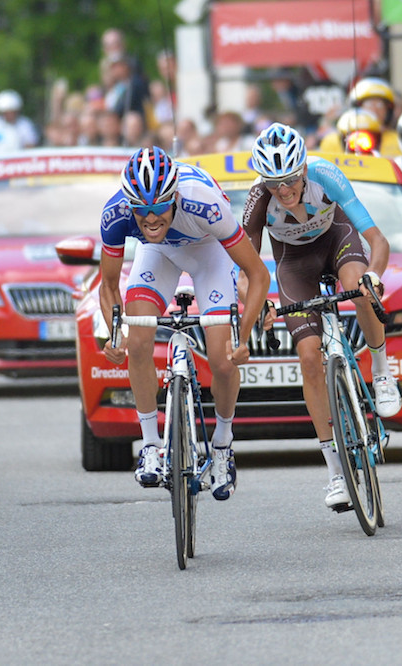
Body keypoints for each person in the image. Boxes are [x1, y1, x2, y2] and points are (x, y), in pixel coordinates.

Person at [243, 123, 401, 510]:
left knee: (360, 289)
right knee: (309, 357)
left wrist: (374, 278)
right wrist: (255, 304)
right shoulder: (258, 198)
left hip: (337, 242)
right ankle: (335, 473)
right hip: (294, 265)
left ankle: (381, 373)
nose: (284, 190)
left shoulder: (326, 175)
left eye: (291, 179)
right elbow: (245, 265)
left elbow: (377, 240)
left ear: (303, 170)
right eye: (274, 183)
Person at [100, 146, 270, 500]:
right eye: (141, 210)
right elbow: (109, 286)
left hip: (210, 253)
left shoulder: (203, 203)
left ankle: (222, 446)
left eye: (159, 207)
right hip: (157, 254)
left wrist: (243, 333)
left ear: (175, 196)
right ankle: (150, 446)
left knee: (222, 359)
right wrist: (115, 335)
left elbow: (257, 273)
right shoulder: (115, 214)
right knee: (139, 341)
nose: (150, 218)